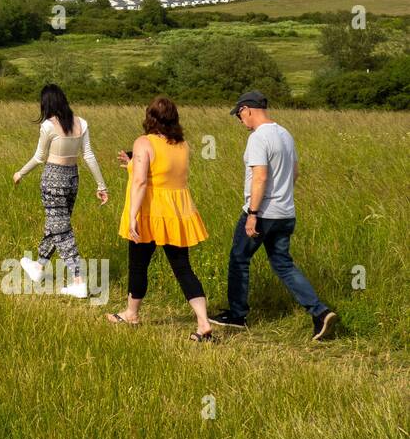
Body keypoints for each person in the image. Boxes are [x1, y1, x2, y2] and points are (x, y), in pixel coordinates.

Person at [210, 91, 337, 341]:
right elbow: (295, 173)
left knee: (239, 258)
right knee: (283, 264)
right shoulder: (285, 134)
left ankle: (237, 314)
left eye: (238, 115)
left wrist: (253, 213)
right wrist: (281, 196)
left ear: (247, 109)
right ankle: (320, 312)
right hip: (285, 212)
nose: (239, 120)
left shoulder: (259, 138)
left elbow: (260, 177)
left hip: (263, 212)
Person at [107, 96, 215, 341]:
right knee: (183, 268)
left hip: (149, 212)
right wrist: (132, 162)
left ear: (150, 117)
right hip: (176, 212)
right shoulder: (182, 144)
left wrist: (132, 215)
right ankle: (203, 321)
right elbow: (163, 172)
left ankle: (131, 314)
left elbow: (142, 181)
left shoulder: (144, 142)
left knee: (138, 264)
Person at [13, 84, 108, 298]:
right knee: (57, 224)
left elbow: (39, 157)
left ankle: (79, 280)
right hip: (73, 178)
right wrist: (101, 185)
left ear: (46, 103)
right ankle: (38, 267)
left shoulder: (48, 126)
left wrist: (20, 172)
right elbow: (89, 155)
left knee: (62, 230)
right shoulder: (81, 123)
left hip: (53, 178)